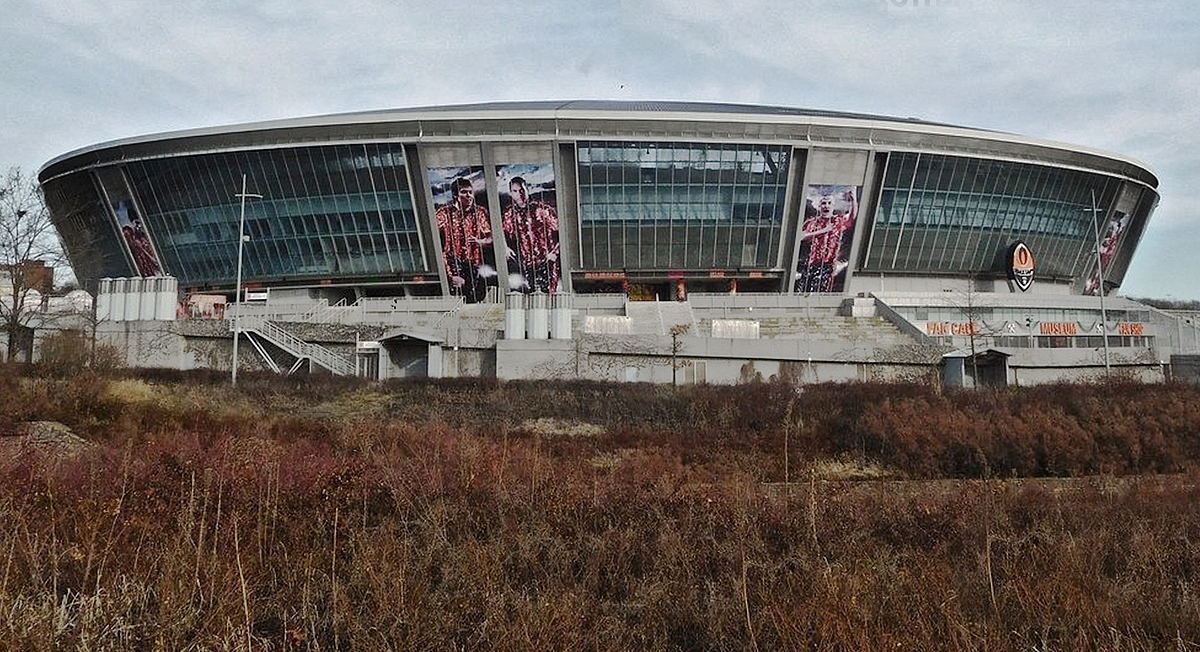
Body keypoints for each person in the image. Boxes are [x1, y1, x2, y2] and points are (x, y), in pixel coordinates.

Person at [436, 176, 493, 302]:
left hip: (474, 263)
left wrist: (480, 242)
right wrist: (450, 275)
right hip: (452, 262)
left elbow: (490, 238)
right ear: (456, 195)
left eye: (470, 192)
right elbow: (431, 237)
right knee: (457, 299)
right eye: (464, 192)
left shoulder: (480, 213)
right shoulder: (444, 213)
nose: (469, 196)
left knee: (475, 297)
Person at [501, 176, 560, 293]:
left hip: (547, 261)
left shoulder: (541, 210)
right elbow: (501, 232)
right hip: (526, 264)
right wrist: (505, 248)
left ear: (527, 189)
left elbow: (561, 231)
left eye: (522, 190)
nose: (519, 194)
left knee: (549, 294)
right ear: (511, 193)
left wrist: (555, 253)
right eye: (515, 191)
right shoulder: (509, 214)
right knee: (532, 296)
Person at [797, 187, 857, 293]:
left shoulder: (837, 221)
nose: (827, 206)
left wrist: (853, 199)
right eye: (824, 203)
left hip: (828, 265)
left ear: (833, 206)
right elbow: (802, 236)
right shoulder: (812, 223)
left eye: (829, 203)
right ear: (819, 206)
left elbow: (851, 217)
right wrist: (823, 231)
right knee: (804, 289)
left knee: (820, 289)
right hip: (811, 264)